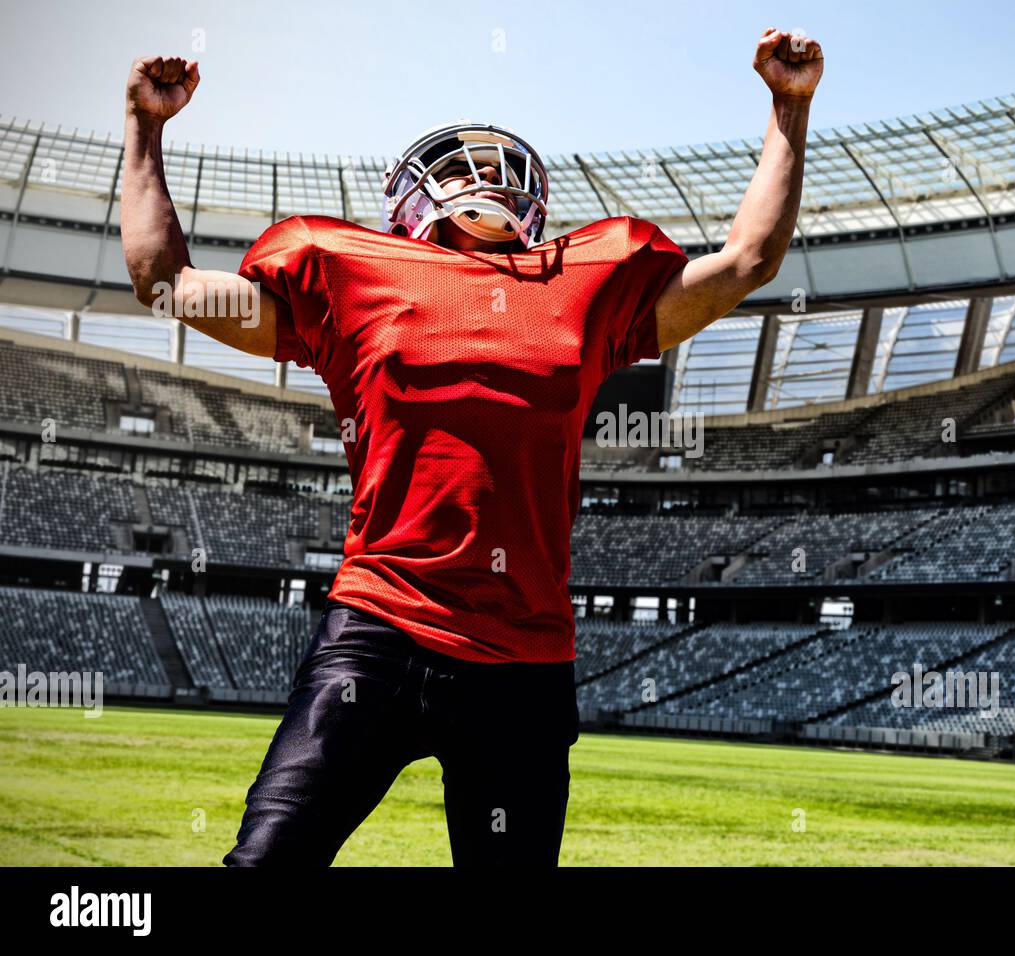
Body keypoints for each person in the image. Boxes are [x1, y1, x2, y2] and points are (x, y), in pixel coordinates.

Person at [120, 27, 823, 866]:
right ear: (411, 196)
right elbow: (165, 283)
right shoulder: (349, 269)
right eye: (459, 165)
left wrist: (789, 107)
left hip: (523, 653)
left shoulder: (587, 278)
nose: (483, 176)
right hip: (379, 626)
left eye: (498, 166)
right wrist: (145, 127)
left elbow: (748, 259)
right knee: (266, 862)